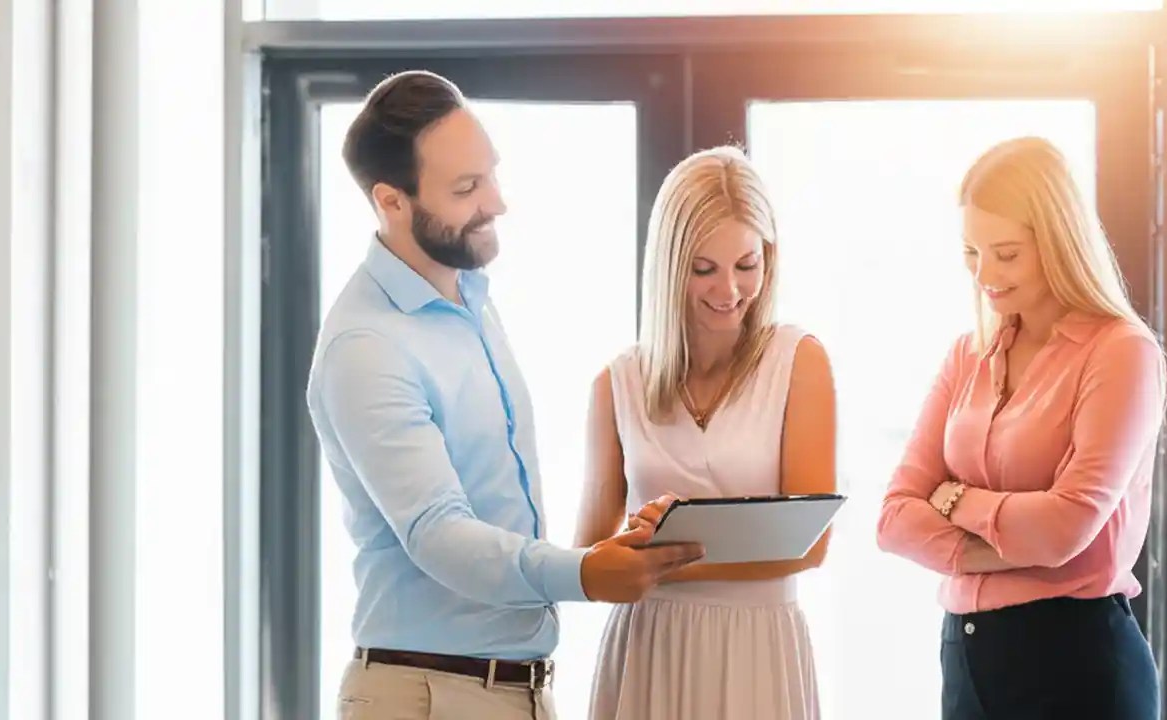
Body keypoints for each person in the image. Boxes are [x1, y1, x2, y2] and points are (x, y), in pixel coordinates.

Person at [306, 70, 704, 720]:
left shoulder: (468, 298)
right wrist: (582, 573)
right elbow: (438, 533)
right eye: (466, 188)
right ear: (392, 202)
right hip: (430, 696)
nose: (496, 202)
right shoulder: (368, 347)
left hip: (507, 689)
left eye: (490, 173)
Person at [875, 136, 1167, 720]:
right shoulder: (968, 354)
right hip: (966, 656)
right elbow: (893, 519)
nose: (985, 275)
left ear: (1058, 242)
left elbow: (1065, 530)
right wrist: (1016, 545)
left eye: (1006, 254)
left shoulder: (1120, 352)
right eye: (971, 252)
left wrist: (955, 498)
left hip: (1076, 659)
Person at [574, 146, 837, 720]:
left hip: (758, 648)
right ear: (668, 265)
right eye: (703, 268)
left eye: (747, 264)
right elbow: (588, 557)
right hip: (650, 648)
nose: (729, 291)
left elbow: (810, 544)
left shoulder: (799, 362)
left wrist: (666, 551)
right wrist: (630, 547)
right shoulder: (616, 383)